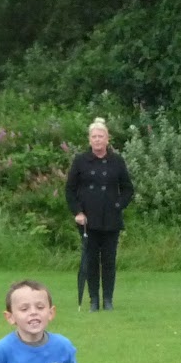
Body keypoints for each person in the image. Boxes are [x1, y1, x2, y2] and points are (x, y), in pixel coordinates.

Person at [64, 118, 135, 312]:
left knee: (109, 261)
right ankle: (93, 299)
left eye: (100, 136)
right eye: (94, 137)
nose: (97, 140)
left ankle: (108, 300)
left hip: (111, 219)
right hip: (88, 219)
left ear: (107, 139)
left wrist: (118, 205)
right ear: (89, 140)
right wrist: (77, 211)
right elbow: (70, 190)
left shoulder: (117, 161)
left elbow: (128, 189)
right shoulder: (80, 161)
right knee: (91, 261)